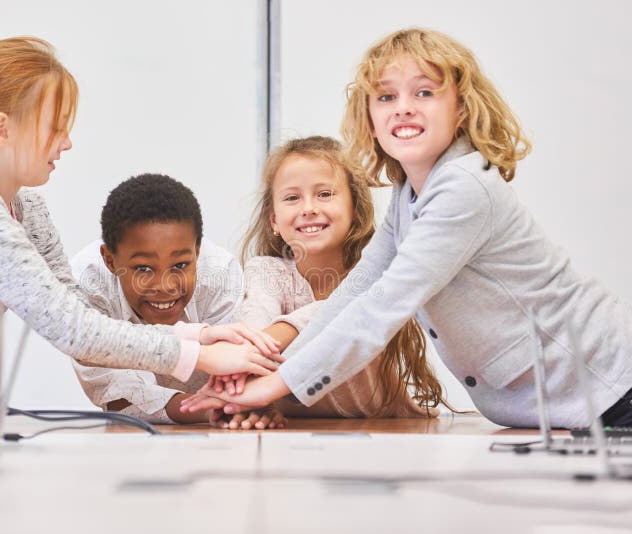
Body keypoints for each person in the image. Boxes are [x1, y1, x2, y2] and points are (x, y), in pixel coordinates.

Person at [182, 28, 632, 429]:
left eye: (424, 92)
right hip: (581, 402)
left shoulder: (465, 187)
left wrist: (273, 385)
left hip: (611, 387)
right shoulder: (409, 193)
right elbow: (360, 287)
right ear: (370, 119)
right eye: (386, 97)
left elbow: (385, 304)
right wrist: (266, 378)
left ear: (462, 108)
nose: (403, 109)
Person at [0, 37, 281, 414]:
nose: (66, 143)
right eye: (55, 128)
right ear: (3, 130)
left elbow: (80, 314)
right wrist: (201, 355)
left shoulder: (25, 208)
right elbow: (75, 331)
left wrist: (195, 333)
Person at [228, 136, 444, 428]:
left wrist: (275, 339)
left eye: (325, 194)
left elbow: (347, 313)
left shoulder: (378, 275)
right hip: (292, 429)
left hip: (385, 427)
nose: (308, 208)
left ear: (355, 208)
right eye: (292, 198)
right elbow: (252, 338)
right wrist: (255, 401)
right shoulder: (266, 271)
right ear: (274, 221)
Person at [70, 173, 284, 428]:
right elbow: (119, 395)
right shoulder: (87, 285)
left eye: (180, 265)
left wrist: (237, 404)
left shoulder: (220, 275)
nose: (165, 286)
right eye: (143, 269)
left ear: (197, 252)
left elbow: (238, 375)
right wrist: (213, 409)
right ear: (110, 260)